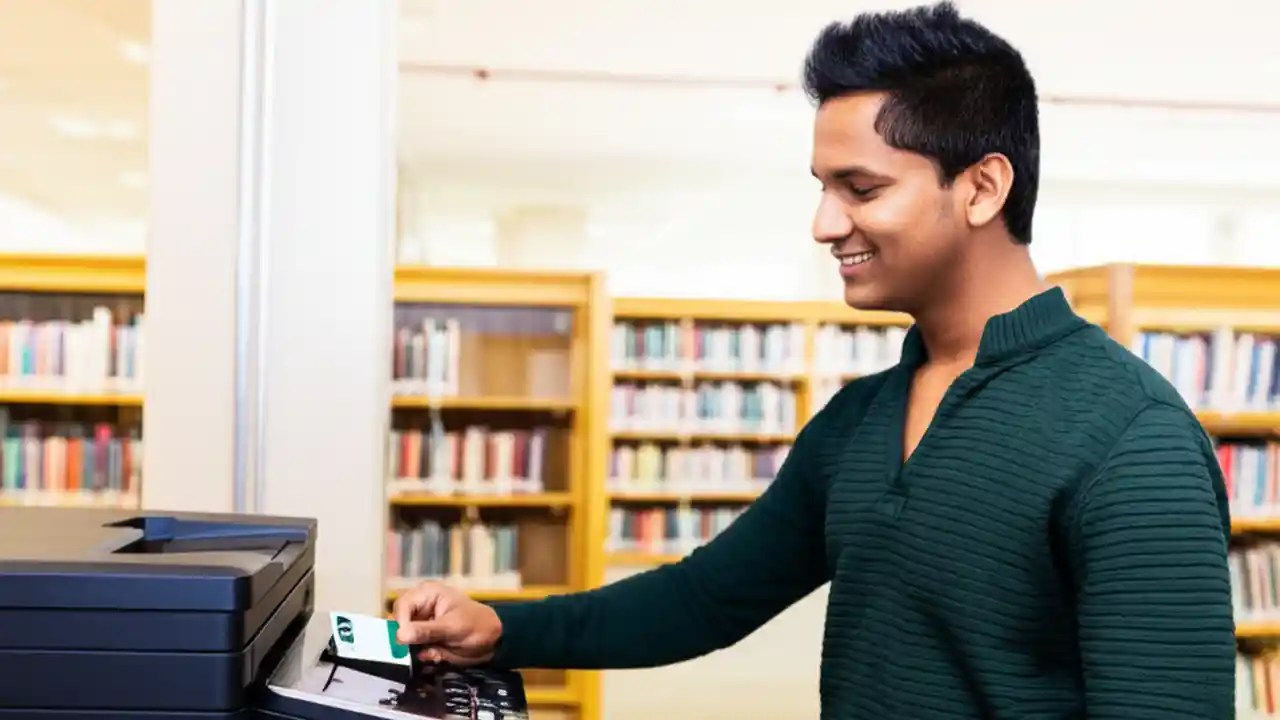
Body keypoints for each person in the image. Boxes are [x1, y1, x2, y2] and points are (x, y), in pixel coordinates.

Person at [393, 2, 1236, 717]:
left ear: (982, 187)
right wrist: (503, 628)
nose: (825, 224)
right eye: (822, 187)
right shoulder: (858, 420)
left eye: (861, 190)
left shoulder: (1132, 438)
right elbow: (705, 599)